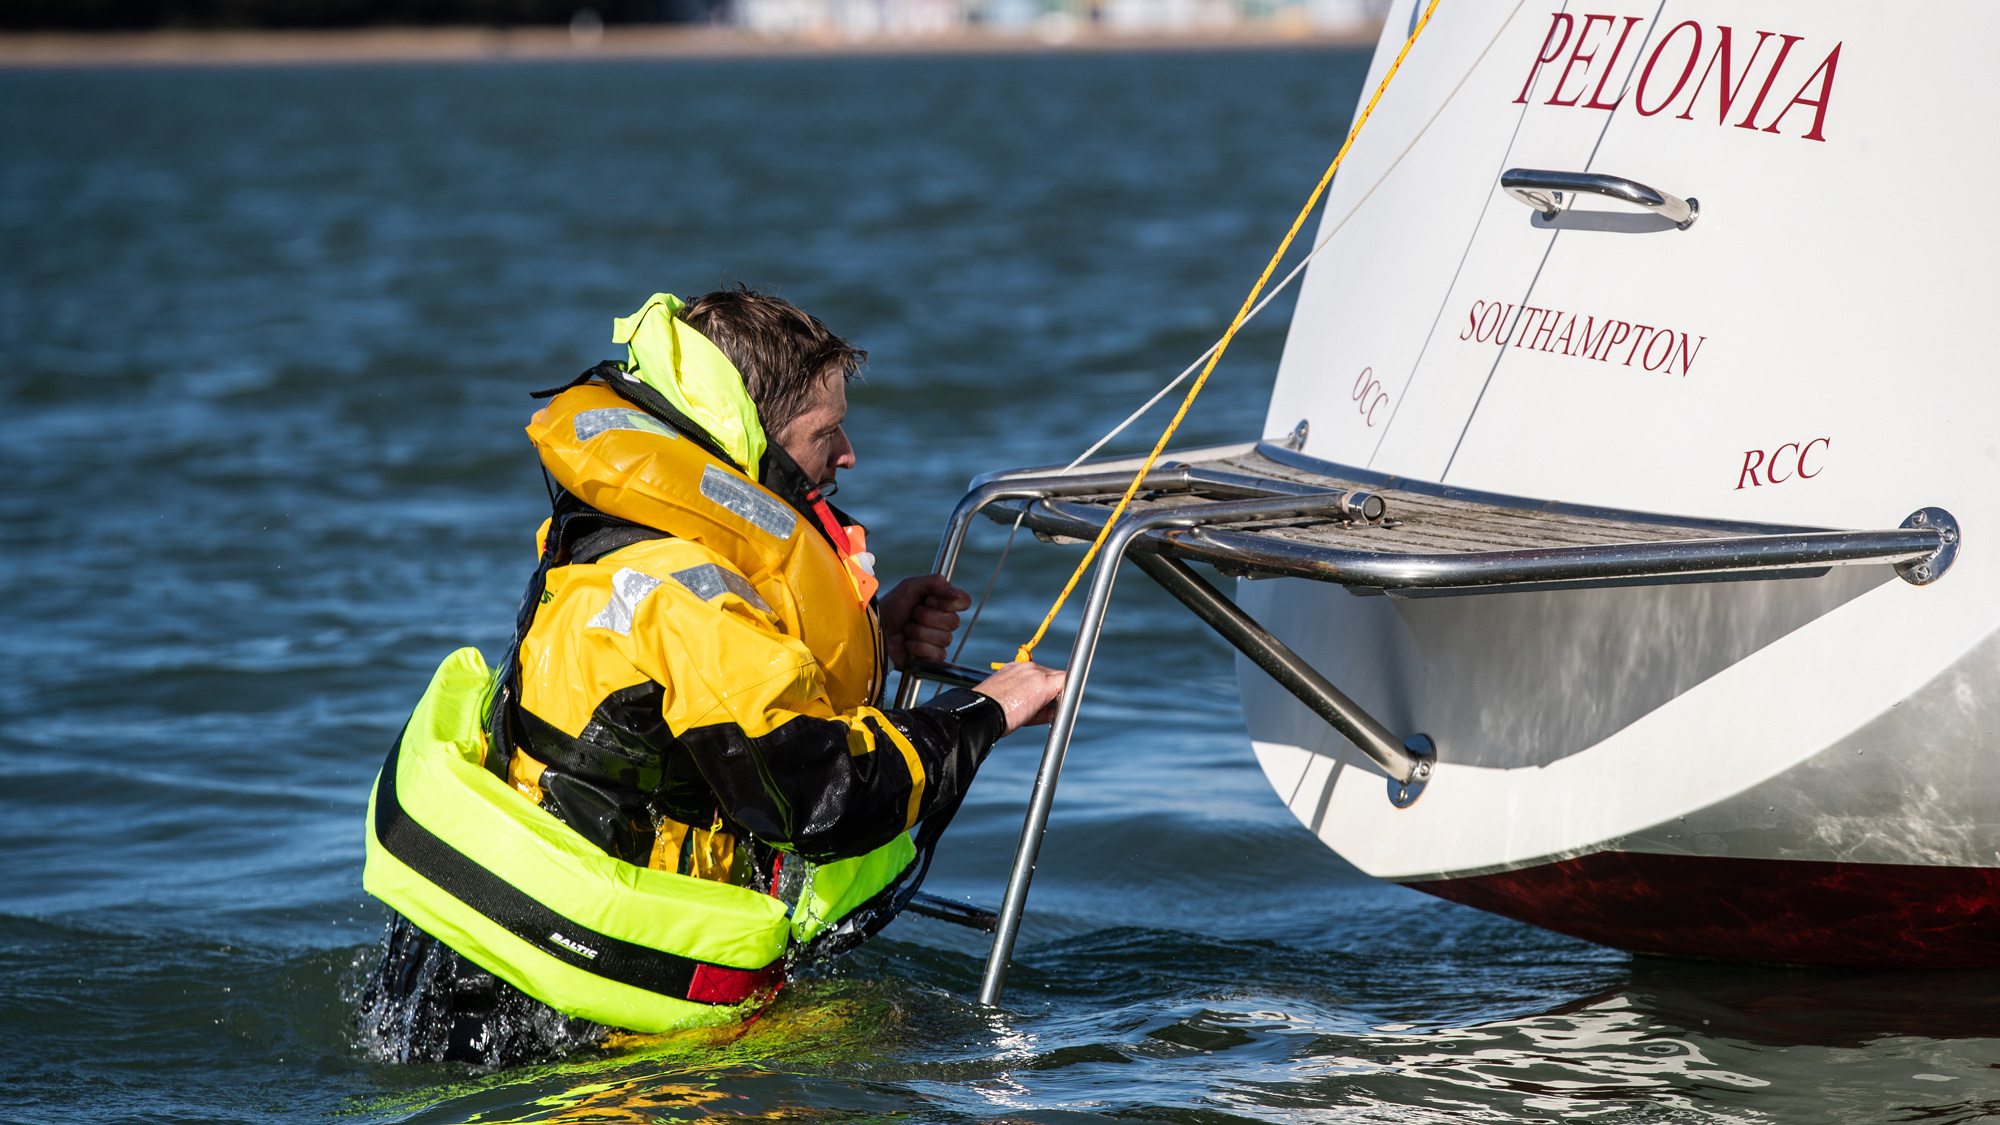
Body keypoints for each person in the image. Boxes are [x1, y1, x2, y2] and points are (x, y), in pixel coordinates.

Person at [359, 287, 1065, 1066]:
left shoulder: (622, 536)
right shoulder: (688, 591)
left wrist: (879, 636)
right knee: (973, 1065)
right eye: (824, 433)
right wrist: (984, 712)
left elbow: (706, 684)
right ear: (746, 436)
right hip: (568, 1028)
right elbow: (819, 795)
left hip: (477, 981)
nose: (847, 455)